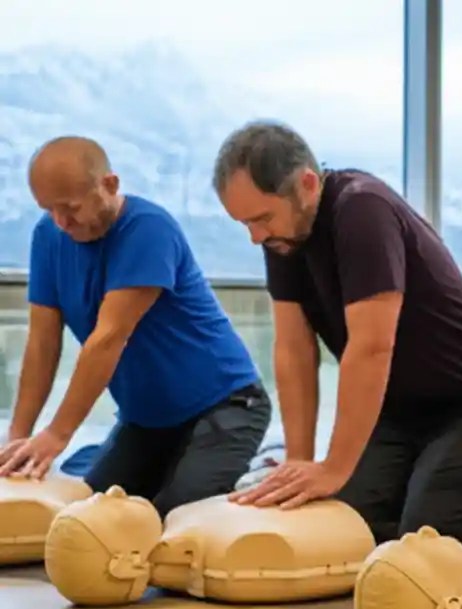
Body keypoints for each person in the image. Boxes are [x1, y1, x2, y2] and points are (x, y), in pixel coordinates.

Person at [211, 121, 462, 546]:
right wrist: (299, 462)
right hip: (402, 410)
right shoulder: (282, 239)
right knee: (347, 528)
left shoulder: (361, 208)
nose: (255, 236)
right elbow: (294, 351)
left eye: (262, 219)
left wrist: (334, 466)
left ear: (307, 184)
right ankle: (450, 486)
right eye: (245, 224)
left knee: (421, 540)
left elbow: (371, 347)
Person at [2, 136, 271, 517]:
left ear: (109, 185)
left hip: (225, 405)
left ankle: (253, 474)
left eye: (71, 208)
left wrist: (57, 434)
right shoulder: (48, 236)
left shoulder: (148, 229)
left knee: (173, 517)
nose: (62, 222)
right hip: (147, 420)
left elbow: (110, 337)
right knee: (89, 512)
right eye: (49, 210)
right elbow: (42, 344)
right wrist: (19, 439)